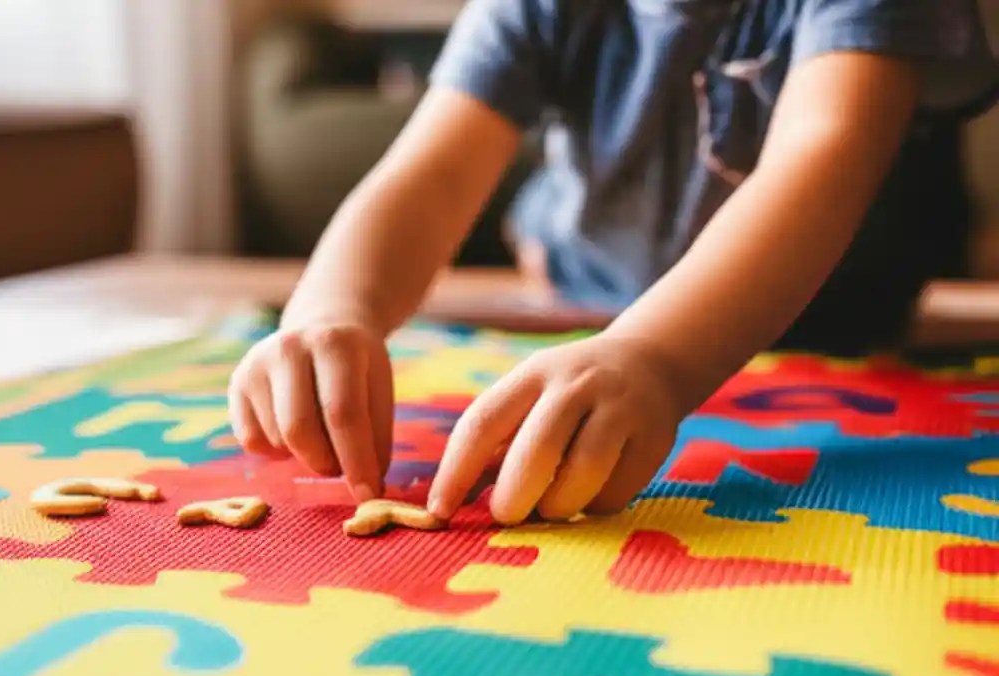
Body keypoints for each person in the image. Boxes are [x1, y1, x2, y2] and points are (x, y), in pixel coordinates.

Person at [227, 0, 999, 526]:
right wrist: (330, 308)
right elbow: (427, 172)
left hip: (841, 309)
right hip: (592, 279)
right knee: (553, 232)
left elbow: (821, 153)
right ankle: (548, 232)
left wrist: (655, 360)